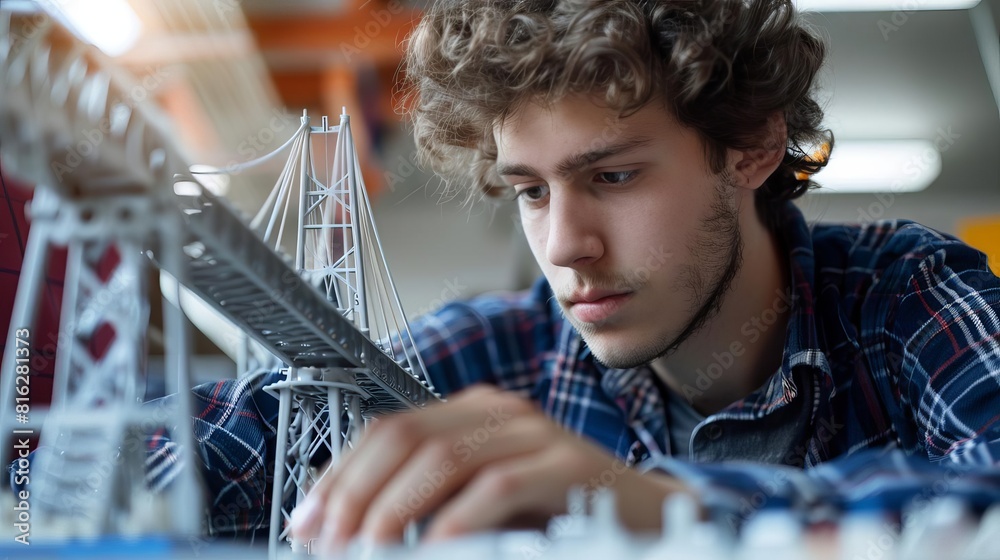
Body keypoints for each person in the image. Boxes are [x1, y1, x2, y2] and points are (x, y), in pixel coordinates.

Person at [40, 0, 998, 551]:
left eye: (612, 177)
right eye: (529, 192)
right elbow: (190, 461)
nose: (566, 245)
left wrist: (658, 514)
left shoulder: (905, 297)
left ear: (749, 148)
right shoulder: (483, 357)